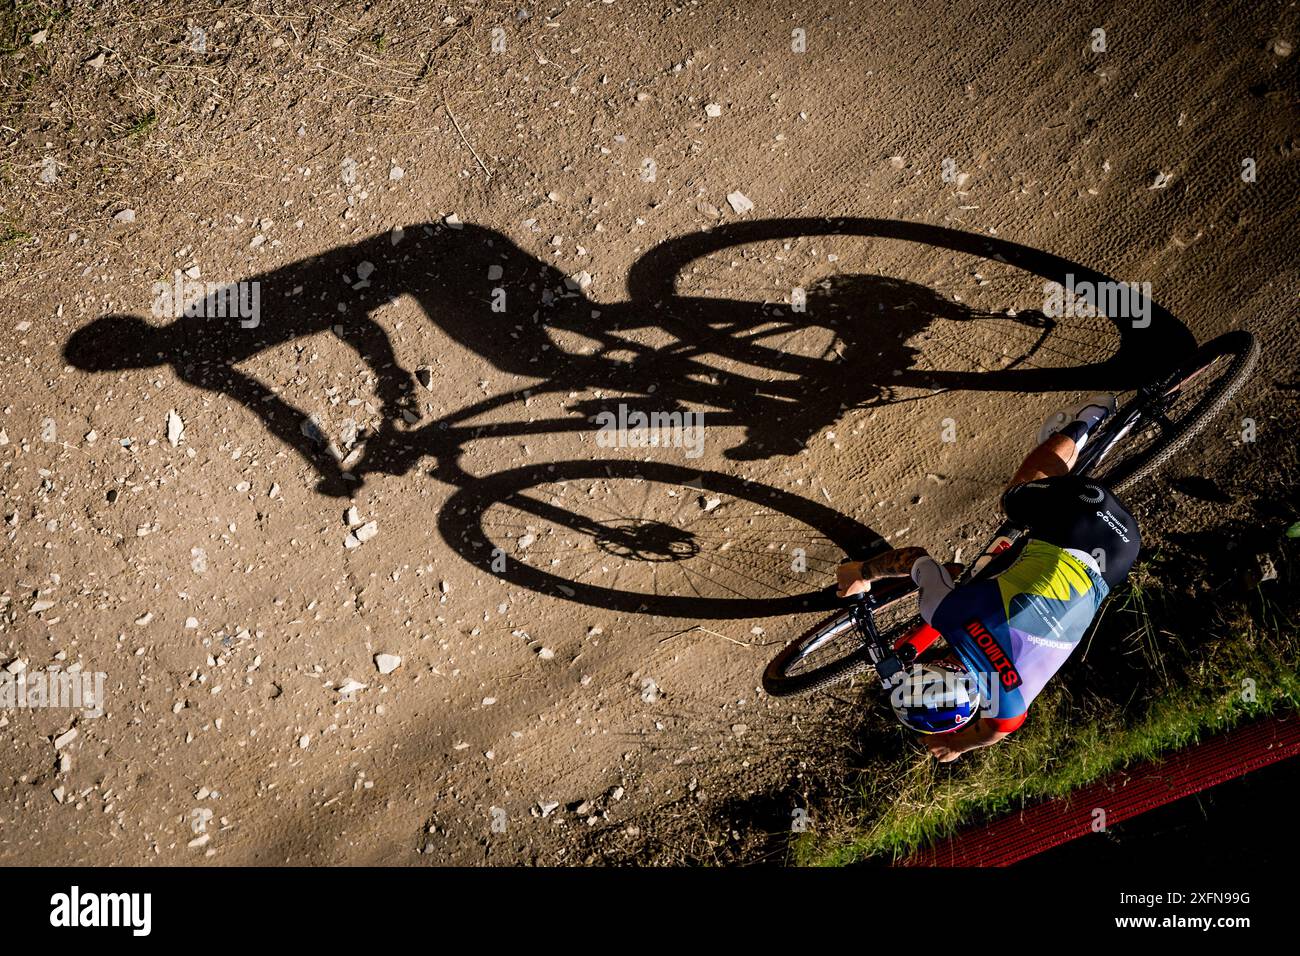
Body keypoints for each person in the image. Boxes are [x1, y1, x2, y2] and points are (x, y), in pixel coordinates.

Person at [835, 396, 1140, 762]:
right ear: (926, 666)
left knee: (1010, 576)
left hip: (1121, 556)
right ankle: (1087, 422)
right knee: (1012, 501)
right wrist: (861, 572)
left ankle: (1063, 469)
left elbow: (993, 733)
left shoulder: (1007, 707)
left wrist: (959, 746)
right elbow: (918, 559)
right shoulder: (948, 615)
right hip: (1083, 514)